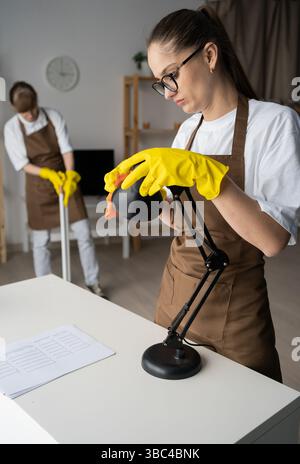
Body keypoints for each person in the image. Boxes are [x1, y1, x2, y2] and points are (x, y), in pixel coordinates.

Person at [104, 6, 300, 382]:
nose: (166, 93)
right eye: (160, 82)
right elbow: (186, 224)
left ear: (209, 55)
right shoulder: (187, 132)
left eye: (171, 76)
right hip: (176, 297)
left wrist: (216, 180)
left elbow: (273, 240)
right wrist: (143, 204)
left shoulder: (274, 123)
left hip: (237, 313)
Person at [4, 81, 106, 298]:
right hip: (38, 185)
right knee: (41, 242)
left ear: (37, 101)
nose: (29, 115)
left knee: (84, 234)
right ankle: (45, 287)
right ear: (15, 109)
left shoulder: (53, 116)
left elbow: (67, 149)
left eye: (31, 109)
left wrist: (69, 175)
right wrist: (47, 174)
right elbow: (22, 164)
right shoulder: (12, 128)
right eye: (24, 112)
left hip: (64, 179)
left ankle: (93, 282)